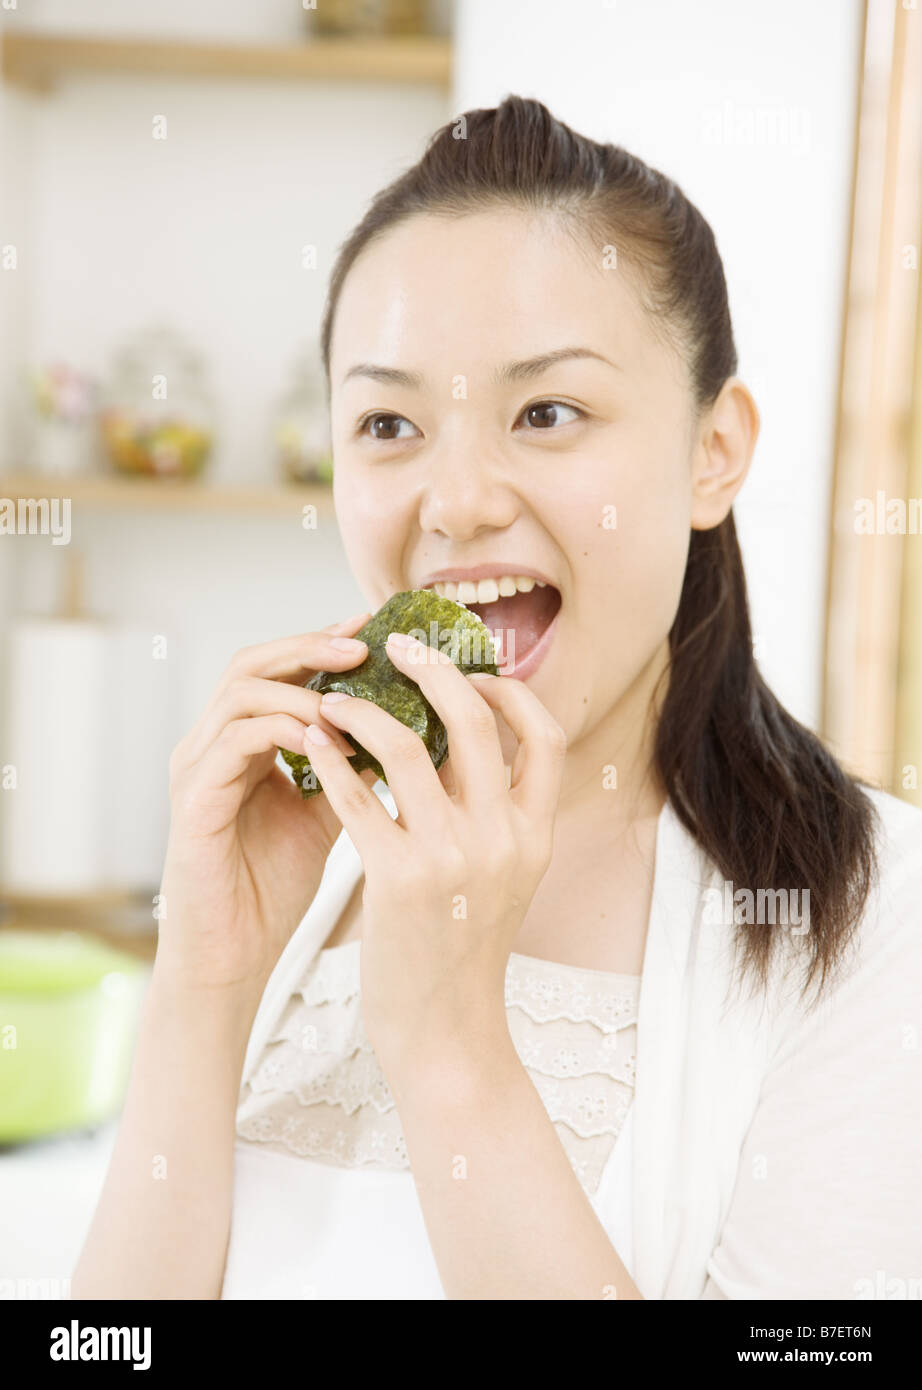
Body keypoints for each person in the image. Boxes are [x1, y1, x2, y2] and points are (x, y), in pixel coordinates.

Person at [72, 96, 922, 1301]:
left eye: (546, 412)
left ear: (710, 452)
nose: (457, 498)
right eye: (387, 423)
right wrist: (203, 984)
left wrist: (450, 1045)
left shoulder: (877, 918)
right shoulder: (298, 863)